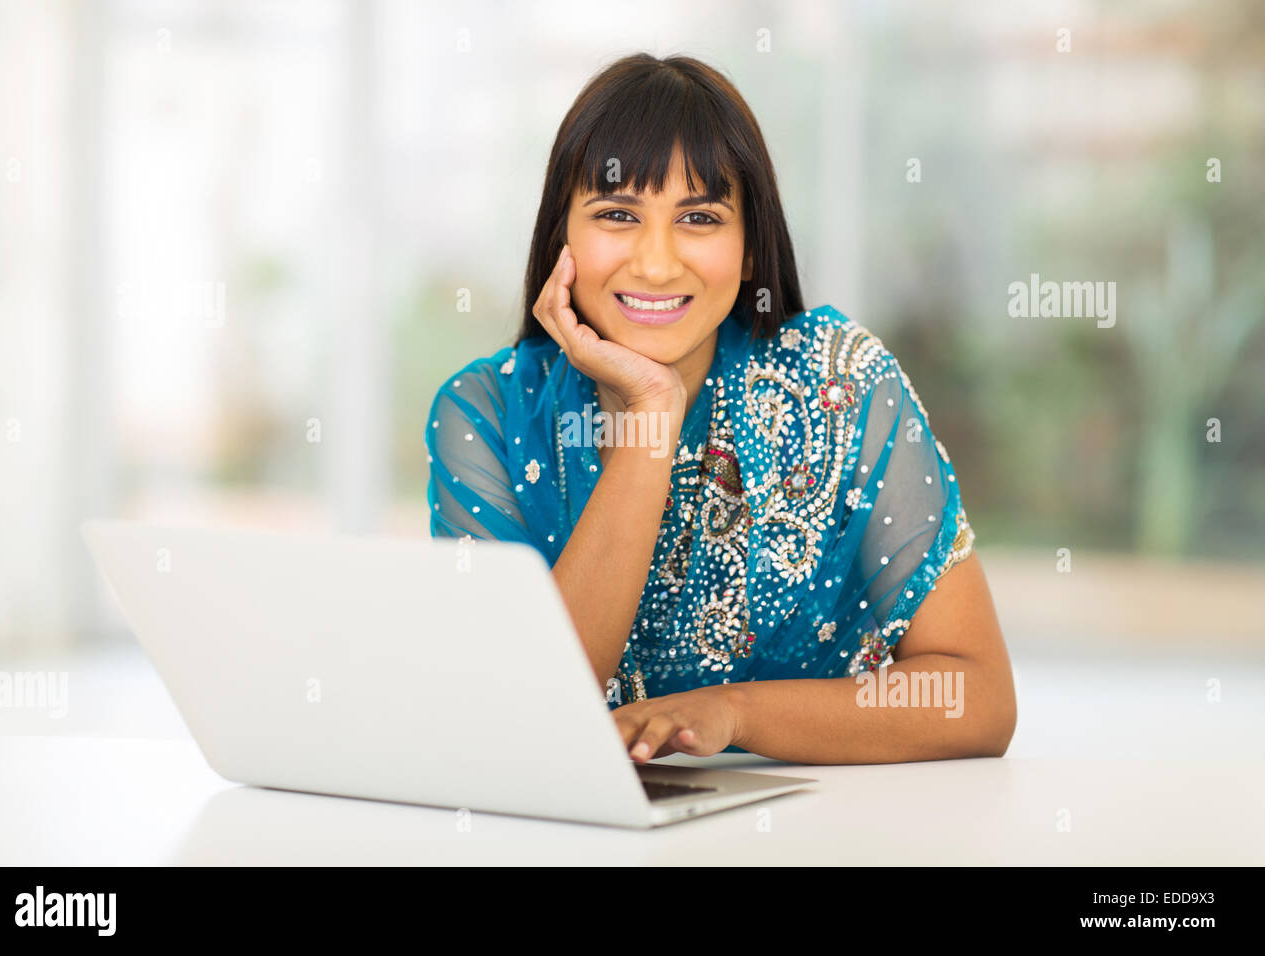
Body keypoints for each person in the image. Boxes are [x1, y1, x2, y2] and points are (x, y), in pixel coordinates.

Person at [425, 53, 1015, 766]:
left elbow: (974, 699)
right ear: (562, 239)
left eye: (699, 218)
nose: (656, 262)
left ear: (747, 251)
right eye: (617, 215)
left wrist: (733, 713)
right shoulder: (482, 416)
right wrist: (651, 411)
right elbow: (526, 721)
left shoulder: (842, 382)